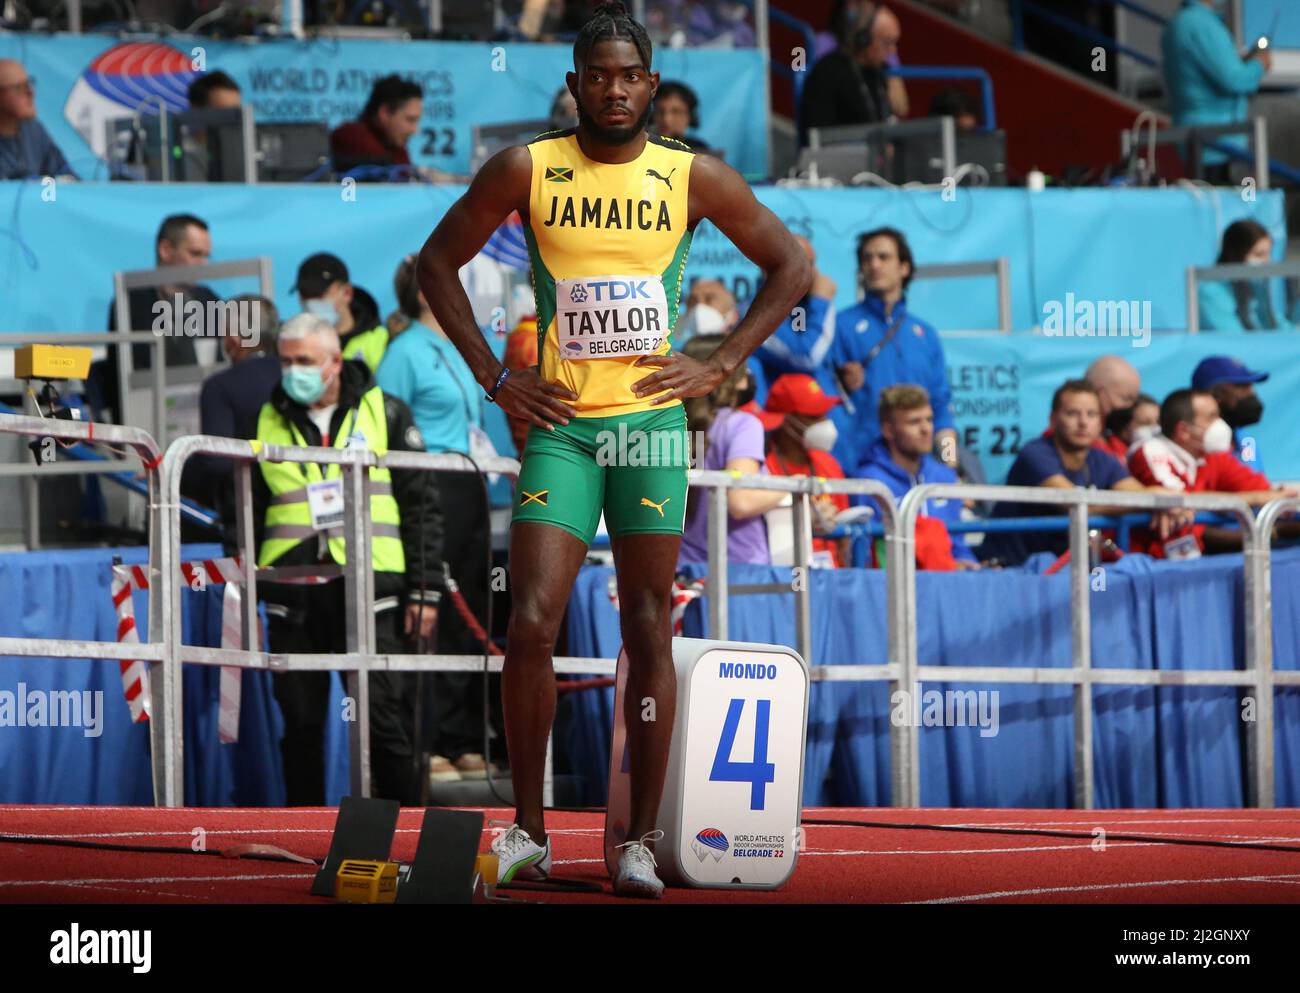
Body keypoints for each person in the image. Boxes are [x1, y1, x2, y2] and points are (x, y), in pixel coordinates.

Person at [416, 0, 812, 897]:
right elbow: (434, 263)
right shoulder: (529, 166)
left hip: (649, 428)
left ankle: (636, 841)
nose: (615, 89)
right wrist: (493, 376)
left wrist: (720, 363)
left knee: (646, 626)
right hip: (562, 428)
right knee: (528, 625)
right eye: (598, 74)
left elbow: (790, 264)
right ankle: (527, 829)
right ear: (574, 84)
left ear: (654, 85)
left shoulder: (691, 176)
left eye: (630, 75)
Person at [253, 313, 444, 806]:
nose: (293, 370)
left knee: (382, 718)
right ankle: (303, 841)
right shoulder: (266, 416)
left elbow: (421, 504)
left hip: (374, 587)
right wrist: (253, 584)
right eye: (286, 360)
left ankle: (407, 838)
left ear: (335, 362)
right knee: (299, 724)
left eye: (305, 361)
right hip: (293, 591)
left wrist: (425, 591)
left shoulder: (387, 411)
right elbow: (250, 507)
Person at [375, 254, 500, 786]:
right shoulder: (404, 352)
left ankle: (463, 736)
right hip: (430, 486)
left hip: (470, 484)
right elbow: (384, 423)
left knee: (471, 608)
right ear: (428, 292)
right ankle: (429, 743)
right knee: (436, 611)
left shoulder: (454, 347)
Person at [979, 380, 1186, 566]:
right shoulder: (1035, 454)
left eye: (1091, 414)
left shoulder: (1102, 458)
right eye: (1072, 413)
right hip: (1010, 568)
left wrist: (1161, 500)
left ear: (1100, 423)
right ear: (1053, 419)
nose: (1083, 422)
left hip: (1065, 572)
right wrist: (1156, 498)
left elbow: (1135, 492)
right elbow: (1077, 503)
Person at [833, 227, 956, 475]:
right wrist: (843, 386)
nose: (874, 265)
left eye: (883, 257)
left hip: (920, 470)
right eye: (867, 259)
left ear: (904, 268)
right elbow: (826, 401)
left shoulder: (925, 334)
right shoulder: (839, 327)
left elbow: (941, 409)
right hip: (861, 468)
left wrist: (950, 463)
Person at [1128, 387, 1296, 555]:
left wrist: (1284, 497)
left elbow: (1261, 489)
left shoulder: (1216, 454)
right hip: (1147, 562)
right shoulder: (1150, 451)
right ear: (1184, 431)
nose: (1220, 424)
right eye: (1212, 417)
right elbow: (1179, 500)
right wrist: (1255, 499)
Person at [89, 214, 221, 423]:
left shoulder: (209, 300)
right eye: (195, 254)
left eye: (206, 256)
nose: (203, 263)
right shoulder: (129, 304)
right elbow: (123, 380)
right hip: (147, 418)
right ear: (166, 250)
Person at [678, 335, 786, 567]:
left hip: (684, 571)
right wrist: (791, 488)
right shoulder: (743, 425)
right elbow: (741, 502)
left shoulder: (671, 426)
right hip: (740, 574)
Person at [860, 385, 978, 570]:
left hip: (950, 581)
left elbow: (959, 544)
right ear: (888, 430)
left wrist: (968, 564)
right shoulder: (869, 484)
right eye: (914, 422)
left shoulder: (945, 477)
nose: (926, 429)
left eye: (930, 420)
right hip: (894, 585)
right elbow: (866, 554)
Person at [185, 295, 282, 514]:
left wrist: (174, 469)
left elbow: (217, 462)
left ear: (235, 338)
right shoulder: (294, 376)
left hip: (247, 511)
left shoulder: (220, 386)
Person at [1162, 0, 1270, 183]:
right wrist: (1259, 64)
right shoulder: (1202, 25)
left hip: (1198, 140)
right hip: (1218, 143)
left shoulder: (1179, 23)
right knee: (1232, 206)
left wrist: (1242, 63)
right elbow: (1235, 80)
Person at [761, 373, 851, 568]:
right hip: (784, 573)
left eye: (824, 415)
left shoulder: (828, 463)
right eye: (813, 417)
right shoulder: (763, 465)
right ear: (786, 422)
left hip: (830, 575)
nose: (825, 423)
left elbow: (845, 538)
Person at [799, 2, 903, 147]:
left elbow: (899, 110)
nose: (892, 51)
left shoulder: (877, 76)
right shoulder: (827, 72)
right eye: (887, 42)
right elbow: (818, 136)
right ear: (863, 39)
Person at [292, 253, 389, 374]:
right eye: (305, 294)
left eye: (320, 293)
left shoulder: (383, 341)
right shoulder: (292, 345)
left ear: (347, 293)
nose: (311, 302)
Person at [1198, 220, 1292, 332]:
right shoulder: (1211, 293)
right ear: (1236, 255)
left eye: (1268, 254)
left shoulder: (1254, 288)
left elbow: (1282, 329)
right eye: (1259, 255)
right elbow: (1234, 339)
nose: (1267, 262)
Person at [331, 75, 422, 177]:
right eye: (410, 120)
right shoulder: (351, 137)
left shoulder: (394, 144)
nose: (415, 130)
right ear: (385, 113)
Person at [1191, 355, 1269, 473]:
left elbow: (1257, 484)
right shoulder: (1191, 442)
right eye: (1242, 387)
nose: (1252, 393)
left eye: (1251, 386)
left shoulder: (1246, 441)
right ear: (1217, 394)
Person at [0, 59, 75, 180]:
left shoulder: (33, 130)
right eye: (18, 88)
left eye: (29, 84)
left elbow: (66, 176)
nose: (31, 92)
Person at [651, 81, 713, 153]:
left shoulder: (701, 152)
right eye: (660, 111)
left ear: (690, 117)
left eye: (676, 112)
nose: (666, 119)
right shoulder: (640, 148)